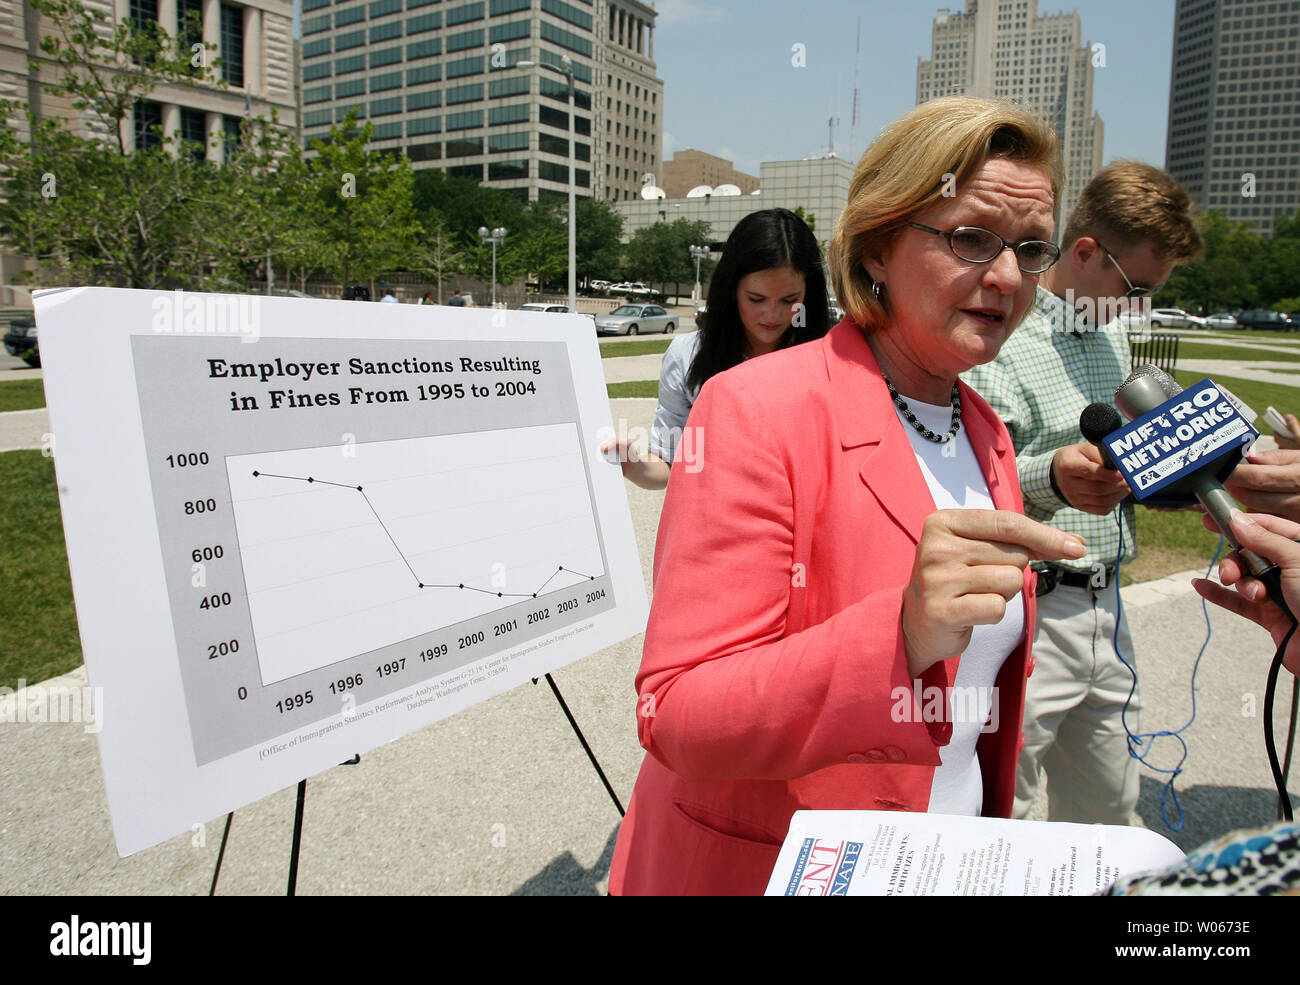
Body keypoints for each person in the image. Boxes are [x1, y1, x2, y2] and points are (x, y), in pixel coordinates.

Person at [609, 96, 1088, 896]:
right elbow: (676, 709)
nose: (1007, 276)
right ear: (875, 247)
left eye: (1031, 248)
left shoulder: (986, 430)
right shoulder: (754, 409)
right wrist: (896, 633)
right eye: (972, 237)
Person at [963, 162, 1203, 825]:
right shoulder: (1001, 331)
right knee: (1002, 807)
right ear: (1087, 251)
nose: (1140, 307)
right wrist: (1054, 477)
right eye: (1137, 288)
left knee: (1108, 806)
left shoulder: (1113, 329)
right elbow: (973, 484)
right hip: (1033, 603)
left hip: (1109, 604)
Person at [603, 208, 831, 489]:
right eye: (756, 298)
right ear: (731, 289)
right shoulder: (687, 355)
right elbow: (672, 464)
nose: (772, 316)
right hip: (719, 523)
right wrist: (633, 465)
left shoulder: (828, 358)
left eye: (789, 300)